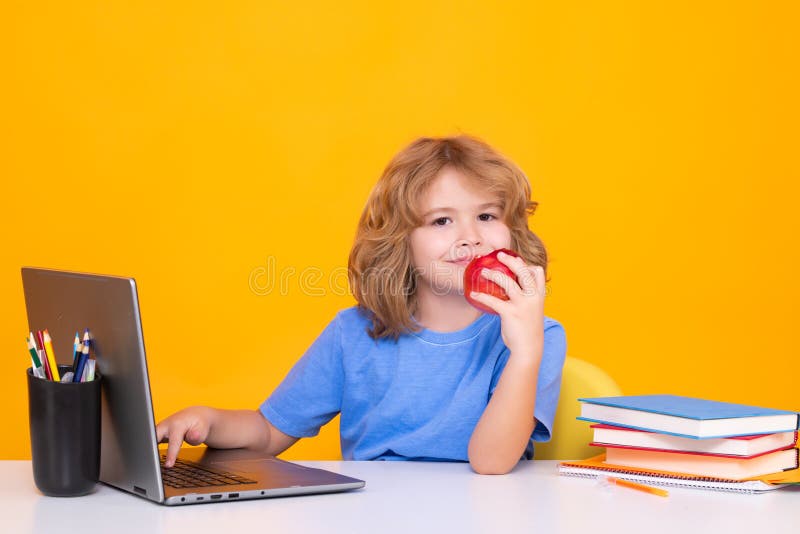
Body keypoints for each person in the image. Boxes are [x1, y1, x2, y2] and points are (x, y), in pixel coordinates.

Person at [156, 135, 566, 475]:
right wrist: (208, 421)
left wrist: (525, 351)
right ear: (399, 242)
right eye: (441, 221)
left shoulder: (537, 338)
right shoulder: (353, 332)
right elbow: (268, 432)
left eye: (488, 216)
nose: (470, 236)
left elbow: (491, 463)